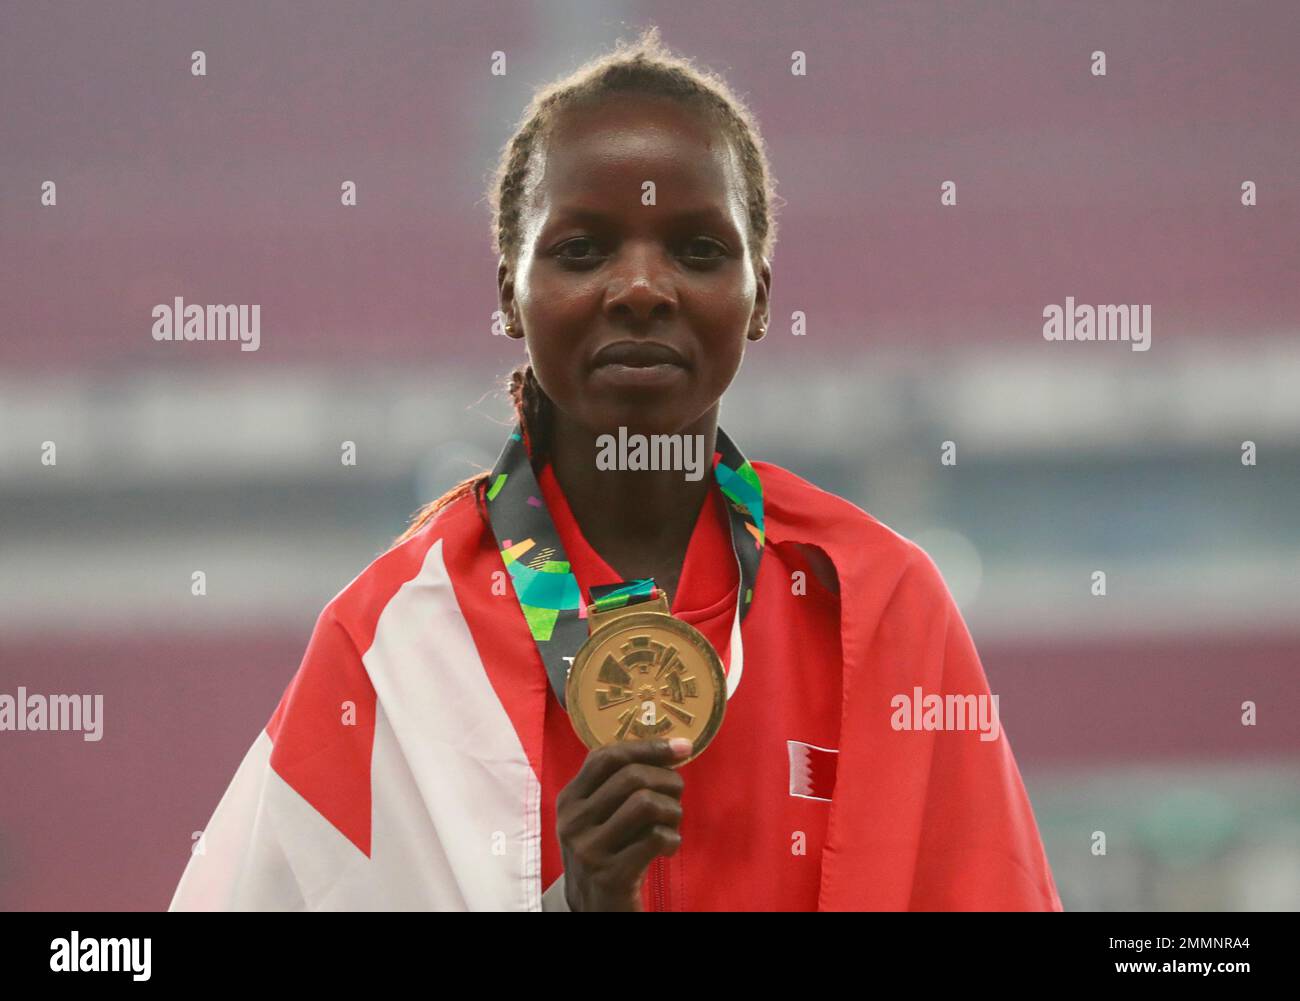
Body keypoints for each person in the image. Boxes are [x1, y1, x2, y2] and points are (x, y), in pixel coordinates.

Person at [170, 26, 1061, 912]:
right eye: (583, 249)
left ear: (761, 297)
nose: (641, 287)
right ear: (508, 294)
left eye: (699, 250)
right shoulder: (393, 641)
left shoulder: (881, 602)